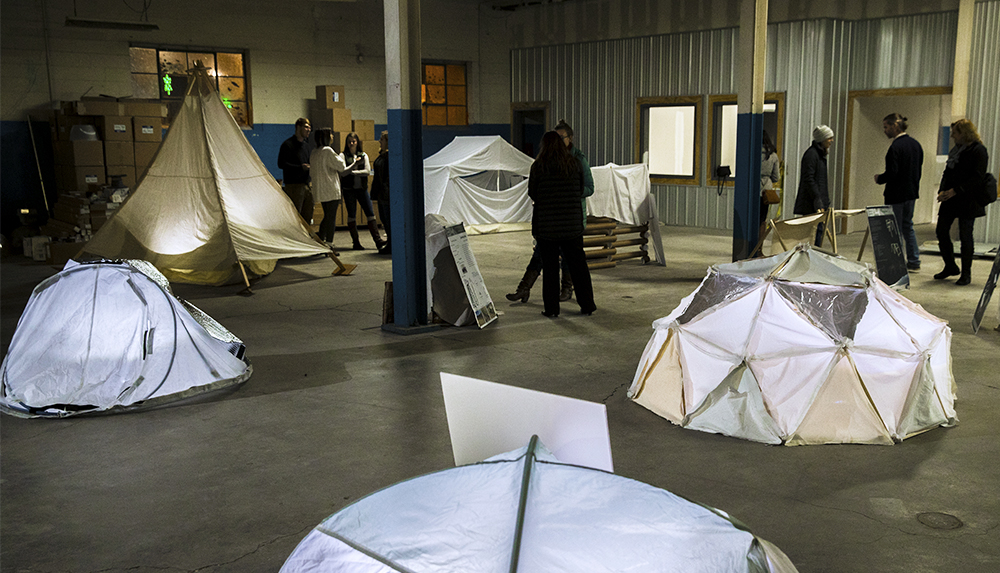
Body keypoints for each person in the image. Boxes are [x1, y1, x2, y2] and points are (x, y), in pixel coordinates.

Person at [506, 119, 594, 303]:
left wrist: (567, 196)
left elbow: (588, 187)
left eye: (563, 137)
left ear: (570, 139)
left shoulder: (577, 160)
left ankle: (564, 291)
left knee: (567, 260)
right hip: (557, 220)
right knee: (542, 256)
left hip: (566, 219)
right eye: (558, 138)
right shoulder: (544, 164)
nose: (560, 141)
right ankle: (525, 288)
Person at [528, 130, 596, 318]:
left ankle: (551, 309)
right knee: (579, 267)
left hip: (547, 227)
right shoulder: (574, 164)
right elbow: (582, 188)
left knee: (550, 269)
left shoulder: (538, 167)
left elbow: (532, 192)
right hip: (572, 226)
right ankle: (587, 305)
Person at [934, 118, 989, 286]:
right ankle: (950, 266)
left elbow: (978, 177)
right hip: (950, 199)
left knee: (966, 236)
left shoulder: (979, 151)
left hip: (968, 199)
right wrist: (942, 190)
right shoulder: (955, 150)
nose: (952, 136)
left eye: (955, 133)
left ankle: (966, 274)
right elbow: (947, 172)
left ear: (964, 133)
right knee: (941, 230)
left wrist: (955, 190)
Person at [874, 113, 924, 271]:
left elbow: (892, 172)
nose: (884, 130)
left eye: (886, 127)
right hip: (911, 194)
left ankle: (897, 262)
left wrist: (879, 178)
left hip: (896, 195)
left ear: (895, 126)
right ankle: (914, 261)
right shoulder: (916, 145)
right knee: (908, 226)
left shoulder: (895, 147)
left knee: (893, 230)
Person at [309, 128, 356, 255]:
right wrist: (354, 162)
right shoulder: (328, 151)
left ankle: (320, 241)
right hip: (330, 189)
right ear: (326, 137)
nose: (332, 137)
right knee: (331, 217)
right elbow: (341, 166)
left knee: (327, 216)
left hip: (320, 189)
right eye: (331, 135)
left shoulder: (314, 152)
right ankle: (329, 244)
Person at [340, 132, 386, 251]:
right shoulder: (342, 155)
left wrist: (353, 172)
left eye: (354, 141)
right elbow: (342, 172)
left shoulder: (363, 155)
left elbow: (367, 171)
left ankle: (378, 240)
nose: (351, 144)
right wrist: (355, 164)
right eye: (349, 141)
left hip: (362, 189)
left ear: (357, 142)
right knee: (351, 215)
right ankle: (356, 242)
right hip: (349, 190)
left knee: (370, 213)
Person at [793, 125, 834, 247]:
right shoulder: (811, 155)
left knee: (819, 233)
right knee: (812, 234)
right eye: (829, 138)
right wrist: (818, 200)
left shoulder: (820, 155)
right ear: (822, 139)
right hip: (811, 203)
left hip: (819, 202)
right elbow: (809, 179)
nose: (831, 141)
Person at [277, 117, 315, 223]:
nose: (309, 130)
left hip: (307, 185)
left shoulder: (307, 146)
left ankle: (306, 238)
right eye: (306, 127)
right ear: (298, 127)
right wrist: (300, 167)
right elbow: (281, 164)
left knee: (308, 215)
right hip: (294, 186)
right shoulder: (288, 145)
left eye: (310, 128)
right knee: (295, 216)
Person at [370, 131, 391, 255]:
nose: (379, 141)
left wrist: (384, 189)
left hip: (386, 194)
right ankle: (390, 243)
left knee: (388, 220)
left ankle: (391, 244)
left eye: (382, 140)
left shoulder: (389, 157)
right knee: (384, 219)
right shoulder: (382, 156)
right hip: (381, 193)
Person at [759, 130, 781, 239]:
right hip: (765, 191)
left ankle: (749, 247)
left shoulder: (752, 153)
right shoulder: (773, 155)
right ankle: (759, 248)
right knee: (762, 220)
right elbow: (776, 177)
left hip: (752, 190)